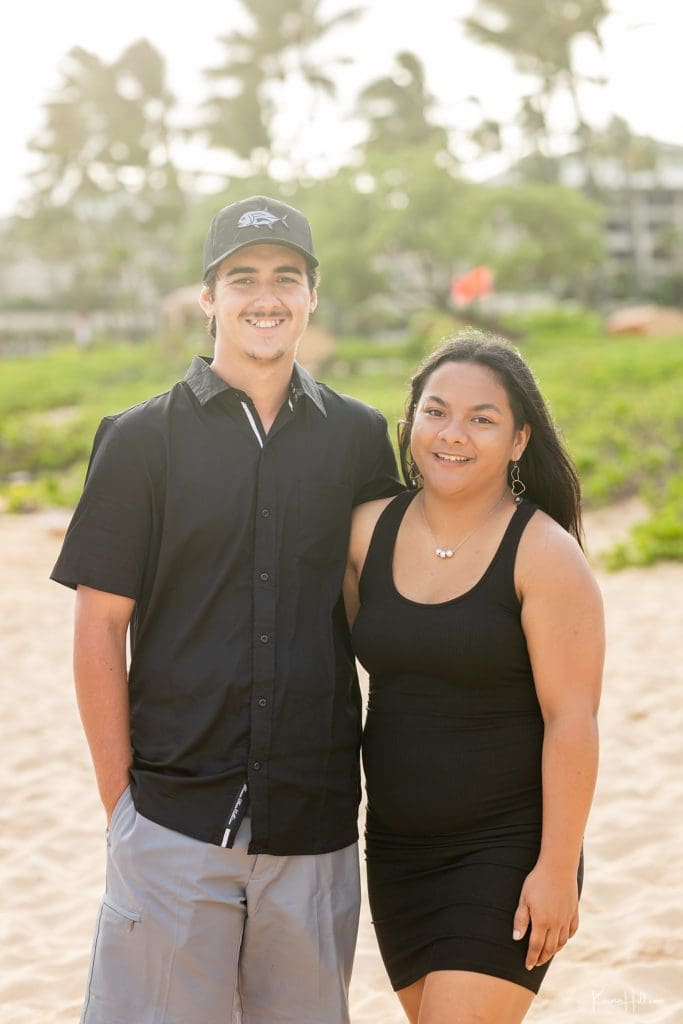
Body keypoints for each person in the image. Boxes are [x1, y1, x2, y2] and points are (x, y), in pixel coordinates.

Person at [50, 194, 402, 1024]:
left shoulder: (358, 436)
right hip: (171, 821)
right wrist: (122, 810)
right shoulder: (139, 439)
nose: (264, 296)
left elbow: (378, 608)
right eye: (242, 278)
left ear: (312, 295)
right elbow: (99, 628)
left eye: (285, 276)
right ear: (208, 297)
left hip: (313, 821)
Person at [344, 333, 604, 1024]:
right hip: (395, 852)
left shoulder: (544, 554)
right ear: (410, 422)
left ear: (518, 440)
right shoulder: (365, 533)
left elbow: (572, 720)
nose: (452, 434)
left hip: (507, 849)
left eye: (481, 419)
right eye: (435, 412)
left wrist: (556, 868)